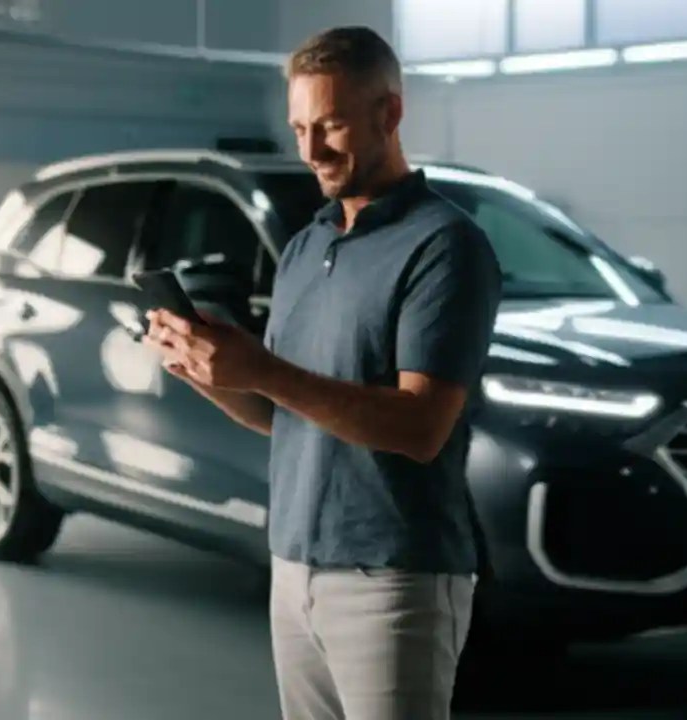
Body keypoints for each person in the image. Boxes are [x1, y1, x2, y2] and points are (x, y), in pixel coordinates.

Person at [142, 25, 502, 720]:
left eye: (330, 125)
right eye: (300, 128)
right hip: (292, 567)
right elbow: (282, 414)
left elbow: (421, 426)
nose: (310, 151)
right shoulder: (307, 247)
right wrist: (210, 371)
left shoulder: (445, 246)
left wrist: (263, 368)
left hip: (393, 580)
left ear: (389, 113)